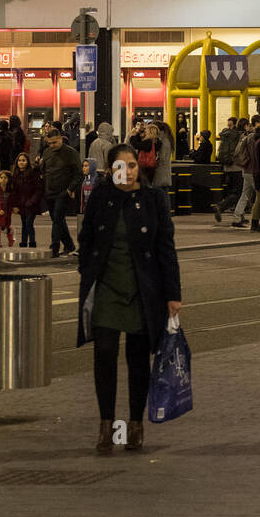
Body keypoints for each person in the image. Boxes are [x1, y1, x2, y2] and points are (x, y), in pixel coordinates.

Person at [77, 144, 182, 453]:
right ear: (110, 170)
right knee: (105, 354)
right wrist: (87, 271)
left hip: (141, 289)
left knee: (137, 360)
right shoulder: (101, 196)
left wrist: (173, 295)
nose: (129, 170)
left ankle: (135, 425)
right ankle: (106, 425)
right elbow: (86, 239)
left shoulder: (154, 199)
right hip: (107, 287)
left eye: (133, 164)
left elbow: (166, 248)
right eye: (122, 166)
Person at [39, 125, 83, 258]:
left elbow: (78, 174)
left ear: (61, 139)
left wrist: (70, 189)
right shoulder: (46, 152)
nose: (52, 145)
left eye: (55, 142)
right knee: (57, 219)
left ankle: (55, 246)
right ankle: (69, 245)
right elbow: (44, 170)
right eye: (50, 143)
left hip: (63, 192)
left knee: (57, 219)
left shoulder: (71, 153)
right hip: (49, 191)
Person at [10, 151, 43, 248]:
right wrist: (15, 205)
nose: (21, 162)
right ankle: (24, 242)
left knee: (29, 222)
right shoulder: (15, 175)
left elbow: (38, 189)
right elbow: (14, 192)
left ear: (27, 162)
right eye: (19, 160)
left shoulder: (32, 173)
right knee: (24, 223)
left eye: (23, 160)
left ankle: (32, 242)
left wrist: (32, 201)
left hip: (31, 204)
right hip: (21, 204)